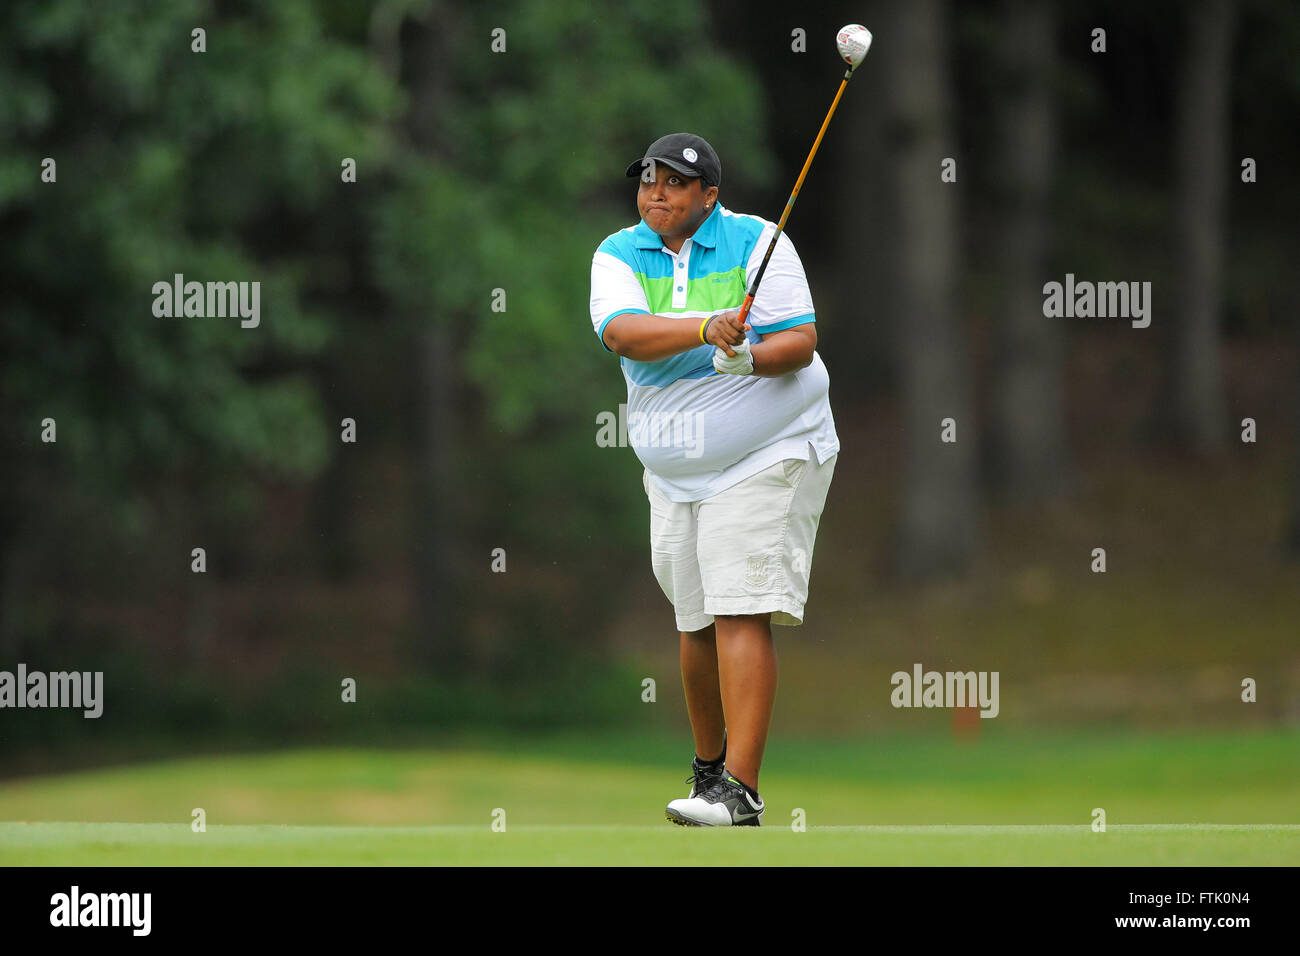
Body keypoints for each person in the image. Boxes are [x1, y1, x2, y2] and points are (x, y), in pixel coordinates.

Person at [589, 133, 839, 826]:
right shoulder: (617, 253)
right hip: (674, 472)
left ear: (710, 195)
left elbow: (799, 343)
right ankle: (706, 776)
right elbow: (624, 334)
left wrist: (747, 359)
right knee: (693, 618)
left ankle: (742, 791)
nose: (656, 192)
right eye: (648, 180)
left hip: (768, 450)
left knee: (737, 605)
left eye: (673, 182)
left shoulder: (761, 242)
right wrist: (708, 329)